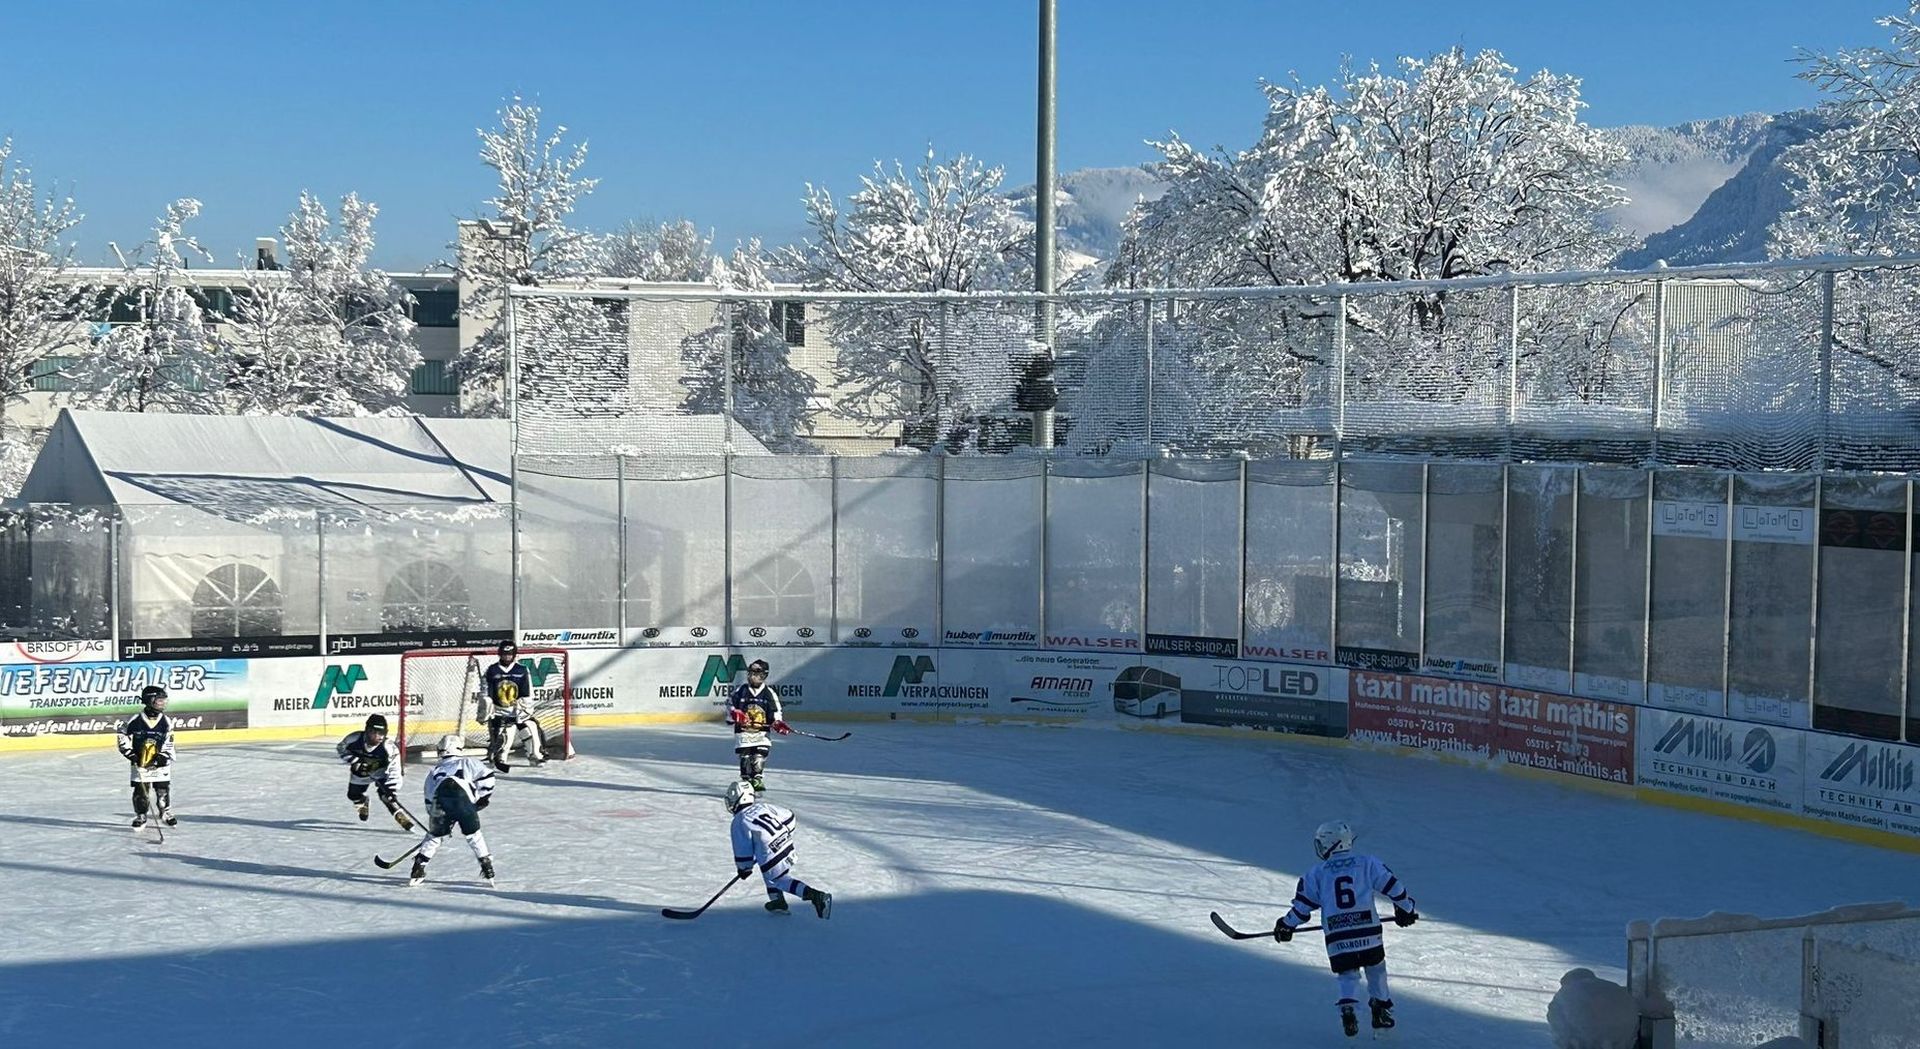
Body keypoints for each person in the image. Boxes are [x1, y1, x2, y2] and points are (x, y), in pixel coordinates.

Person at [1274, 820, 1419, 1038]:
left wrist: (1286, 925)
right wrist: (1406, 909)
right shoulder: (1367, 863)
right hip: (1368, 933)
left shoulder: (1316, 873)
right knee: (1376, 968)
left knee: (1347, 973)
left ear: (1331, 844)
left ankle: (1347, 1007)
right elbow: (1393, 887)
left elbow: (1302, 908)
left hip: (1337, 936)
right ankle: (1380, 1009)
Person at [725, 780, 830, 918]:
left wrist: (744, 867)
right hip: (785, 844)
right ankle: (777, 901)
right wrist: (784, 834)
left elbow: (742, 848)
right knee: (770, 871)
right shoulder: (763, 807)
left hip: (770, 851)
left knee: (778, 879)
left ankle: (817, 896)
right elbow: (790, 816)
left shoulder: (739, 821)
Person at [409, 734, 498, 887]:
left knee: (435, 837)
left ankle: (418, 866)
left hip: (440, 800)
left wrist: (437, 821)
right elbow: (488, 776)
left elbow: (429, 798)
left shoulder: (434, 772)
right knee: (474, 835)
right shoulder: (468, 762)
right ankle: (487, 866)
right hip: (463, 801)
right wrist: (483, 797)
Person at [336, 713, 411, 829]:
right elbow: (341, 748)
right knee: (352, 795)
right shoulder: (354, 738)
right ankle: (362, 801)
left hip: (381, 772)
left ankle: (398, 814)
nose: (377, 736)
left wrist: (391, 789)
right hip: (361, 772)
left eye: (380, 733)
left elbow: (395, 770)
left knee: (386, 797)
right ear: (366, 730)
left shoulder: (389, 748)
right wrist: (355, 760)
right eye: (373, 732)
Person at [115, 684, 176, 828]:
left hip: (159, 763)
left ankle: (165, 811)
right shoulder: (134, 720)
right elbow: (121, 735)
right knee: (141, 790)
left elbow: (170, 740)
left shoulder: (166, 721)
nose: (163, 703)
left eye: (164, 700)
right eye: (159, 700)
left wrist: (163, 755)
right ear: (150, 701)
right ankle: (141, 815)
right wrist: (130, 754)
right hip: (140, 762)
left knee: (162, 789)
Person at [726, 659, 788, 790]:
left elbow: (776, 710)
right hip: (743, 733)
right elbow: (730, 704)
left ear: (764, 675)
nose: (753, 677)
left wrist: (777, 722)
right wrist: (734, 713)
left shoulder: (769, 693)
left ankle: (758, 778)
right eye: (751, 673)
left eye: (757, 674)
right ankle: (747, 781)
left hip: (762, 733)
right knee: (746, 759)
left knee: (759, 756)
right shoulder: (741, 691)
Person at [481, 641, 544, 771]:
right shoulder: (492, 670)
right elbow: (485, 691)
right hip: (498, 711)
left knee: (530, 727)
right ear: (500, 654)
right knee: (505, 735)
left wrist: (524, 708)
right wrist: (486, 708)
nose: (507, 657)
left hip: (516, 710)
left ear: (514, 655)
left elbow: (527, 691)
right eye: (504, 654)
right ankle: (499, 756)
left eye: (510, 654)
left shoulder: (522, 670)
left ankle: (535, 755)